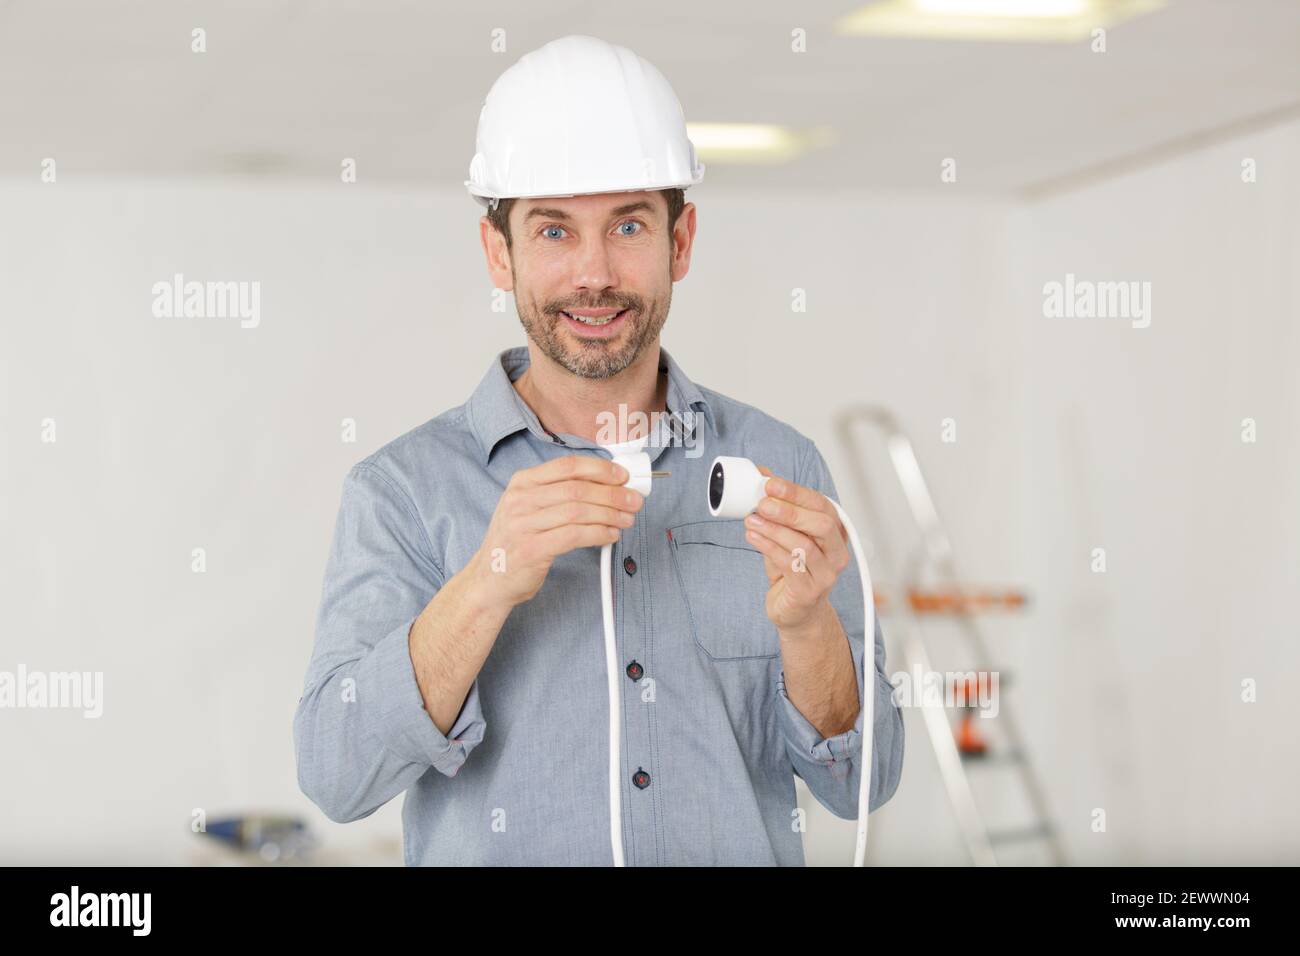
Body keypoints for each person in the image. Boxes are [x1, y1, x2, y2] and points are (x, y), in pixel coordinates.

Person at [293, 34, 903, 866]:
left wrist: (807, 633)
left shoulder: (779, 466)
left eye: (626, 225)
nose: (594, 273)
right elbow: (337, 774)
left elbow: (862, 784)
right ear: (497, 254)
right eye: (552, 231)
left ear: (679, 243)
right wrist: (485, 584)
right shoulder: (401, 491)